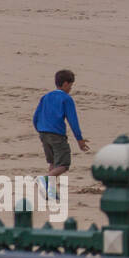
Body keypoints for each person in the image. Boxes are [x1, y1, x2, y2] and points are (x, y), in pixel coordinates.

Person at [31, 69, 90, 201]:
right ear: (64, 84)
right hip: (56, 134)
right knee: (63, 164)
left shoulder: (45, 97)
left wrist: (40, 130)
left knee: (52, 162)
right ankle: (44, 179)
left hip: (43, 133)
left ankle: (50, 192)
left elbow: (35, 117)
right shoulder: (66, 99)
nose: (70, 88)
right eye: (70, 85)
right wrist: (79, 139)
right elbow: (72, 120)